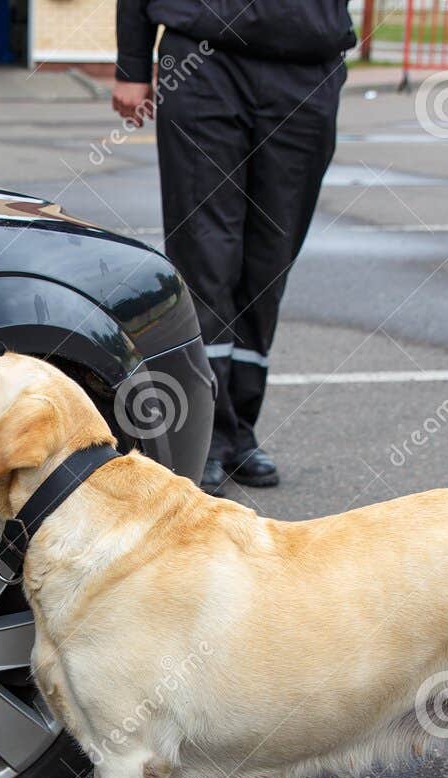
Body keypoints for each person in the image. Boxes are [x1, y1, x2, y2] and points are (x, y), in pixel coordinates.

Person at [113, 1, 353, 494]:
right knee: (205, 258)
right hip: (205, 63)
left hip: (306, 71)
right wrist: (131, 66)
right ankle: (201, 436)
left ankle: (240, 428)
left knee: (270, 260)